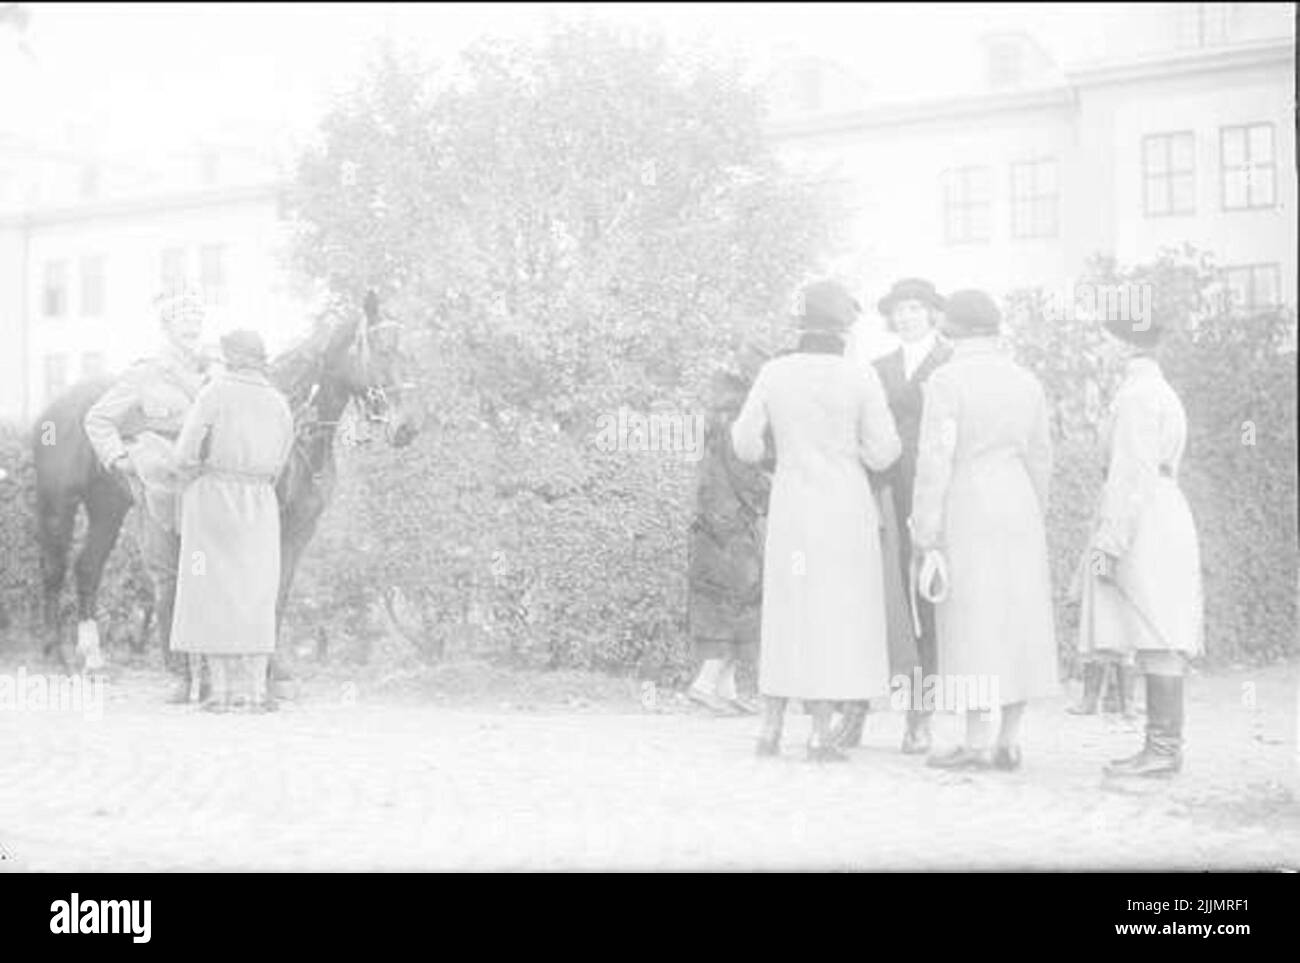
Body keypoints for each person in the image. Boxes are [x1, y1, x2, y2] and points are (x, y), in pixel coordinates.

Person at [731, 279, 901, 761]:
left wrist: (778, 458)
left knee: (788, 609)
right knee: (837, 614)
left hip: (792, 506)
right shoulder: (860, 376)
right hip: (844, 510)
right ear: (844, 327)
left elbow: (744, 443)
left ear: (800, 323)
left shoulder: (775, 371)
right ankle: (822, 731)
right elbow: (885, 450)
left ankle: (770, 726)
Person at [910, 290, 1057, 771]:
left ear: (951, 328)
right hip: (1018, 503)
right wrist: (1037, 510)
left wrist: (925, 529)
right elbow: (1040, 457)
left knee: (971, 618)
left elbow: (936, 458)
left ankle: (975, 740)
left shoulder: (946, 381)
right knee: (1019, 616)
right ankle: (1010, 739)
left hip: (968, 501)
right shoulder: (1025, 381)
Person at [1077, 311, 1203, 778]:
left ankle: (1163, 750)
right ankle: (1163, 747)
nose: (1099, 350)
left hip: (1145, 516)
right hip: (1162, 509)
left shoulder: (1136, 398)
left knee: (1157, 630)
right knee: (1159, 629)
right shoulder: (1157, 392)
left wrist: (1109, 543)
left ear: (1125, 346)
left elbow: (1130, 475)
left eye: (1104, 340)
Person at [832, 278, 953, 752]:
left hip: (931, 491)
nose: (905, 317)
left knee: (925, 604)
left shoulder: (950, 363)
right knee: (874, 601)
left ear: (932, 313)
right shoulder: (877, 368)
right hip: (882, 490)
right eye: (899, 310)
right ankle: (856, 710)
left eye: (914, 309)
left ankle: (919, 718)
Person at [84, 289, 208, 693]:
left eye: (196, 313)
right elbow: (98, 419)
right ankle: (180, 674)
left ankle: (212, 668)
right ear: (167, 325)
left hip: (208, 486)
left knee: (209, 574)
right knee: (169, 579)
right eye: (182, 315)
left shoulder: (216, 369)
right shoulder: (146, 373)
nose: (192, 320)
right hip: (158, 488)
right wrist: (119, 459)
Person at [170, 330, 295, 712]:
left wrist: (192, 471)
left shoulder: (214, 393)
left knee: (209, 586)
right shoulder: (278, 402)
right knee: (256, 590)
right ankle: (255, 690)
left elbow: (186, 451)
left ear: (229, 358)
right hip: (259, 501)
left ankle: (221, 692)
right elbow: (284, 456)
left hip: (212, 498)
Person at [685, 351, 771, 715]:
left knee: (724, 602)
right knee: (739, 602)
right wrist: (774, 489)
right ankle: (705, 684)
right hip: (731, 528)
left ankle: (727, 689)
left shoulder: (713, 424)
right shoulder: (738, 424)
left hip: (713, 526)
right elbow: (745, 475)